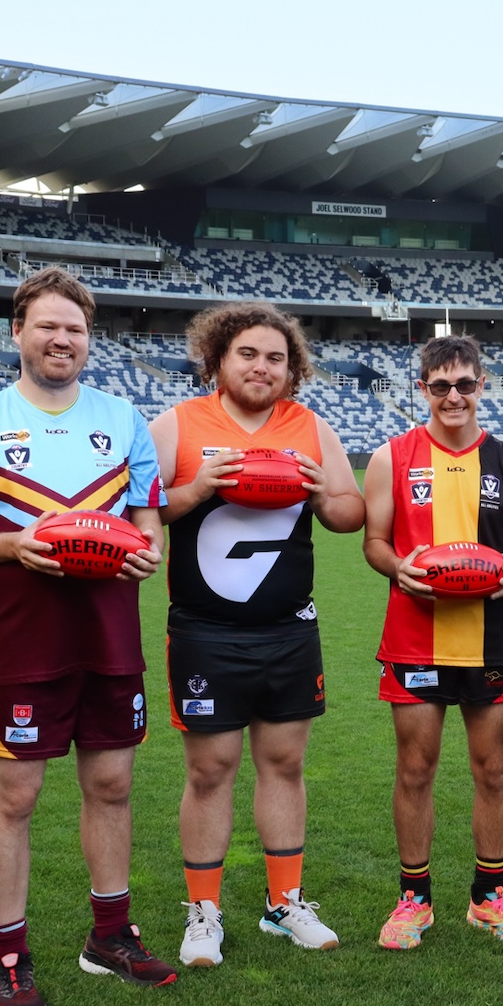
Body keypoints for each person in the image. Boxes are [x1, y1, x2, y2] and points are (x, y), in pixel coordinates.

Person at [0, 267, 172, 1006]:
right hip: (20, 641)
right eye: (47, 325)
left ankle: (110, 935)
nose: (61, 339)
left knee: (112, 785)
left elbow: (149, 522)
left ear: (88, 339)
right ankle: (11, 955)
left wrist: (147, 551)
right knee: (16, 796)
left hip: (111, 636)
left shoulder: (124, 420)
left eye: (75, 328)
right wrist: (12, 546)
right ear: (18, 332)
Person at [151, 302, 365, 967]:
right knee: (209, 770)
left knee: (284, 764)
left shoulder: (311, 427)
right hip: (204, 631)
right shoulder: (178, 423)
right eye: (247, 354)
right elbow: (141, 508)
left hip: (288, 629)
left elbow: (350, 512)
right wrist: (197, 487)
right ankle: (203, 911)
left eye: (276, 357)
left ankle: (284, 903)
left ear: (291, 369)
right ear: (218, 358)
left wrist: (321, 493)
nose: (261, 367)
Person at [363, 335, 503, 950]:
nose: (454, 396)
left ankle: (489, 897)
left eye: (465, 384)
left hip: (490, 638)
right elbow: (374, 542)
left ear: (481, 385)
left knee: (494, 768)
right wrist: (397, 568)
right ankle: (414, 899)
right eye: (441, 386)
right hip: (415, 638)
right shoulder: (390, 457)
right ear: (423, 390)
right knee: (415, 768)